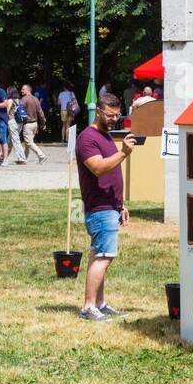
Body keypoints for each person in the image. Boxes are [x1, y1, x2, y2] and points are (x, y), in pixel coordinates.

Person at [75, 93, 135, 320]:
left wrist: (120, 204)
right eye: (109, 115)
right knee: (104, 256)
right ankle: (89, 307)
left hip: (109, 206)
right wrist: (123, 153)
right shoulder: (87, 138)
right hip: (99, 208)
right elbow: (98, 168)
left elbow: (110, 177)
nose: (113, 119)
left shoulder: (105, 136)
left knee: (99, 254)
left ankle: (99, 303)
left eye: (117, 115)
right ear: (98, 111)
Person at [19, 84, 47, 163]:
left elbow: (19, 112)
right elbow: (40, 112)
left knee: (29, 142)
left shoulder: (24, 99)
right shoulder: (36, 99)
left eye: (23, 89)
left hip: (27, 124)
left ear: (28, 90)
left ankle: (41, 155)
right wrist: (43, 123)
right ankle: (23, 159)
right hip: (35, 124)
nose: (21, 91)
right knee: (28, 143)